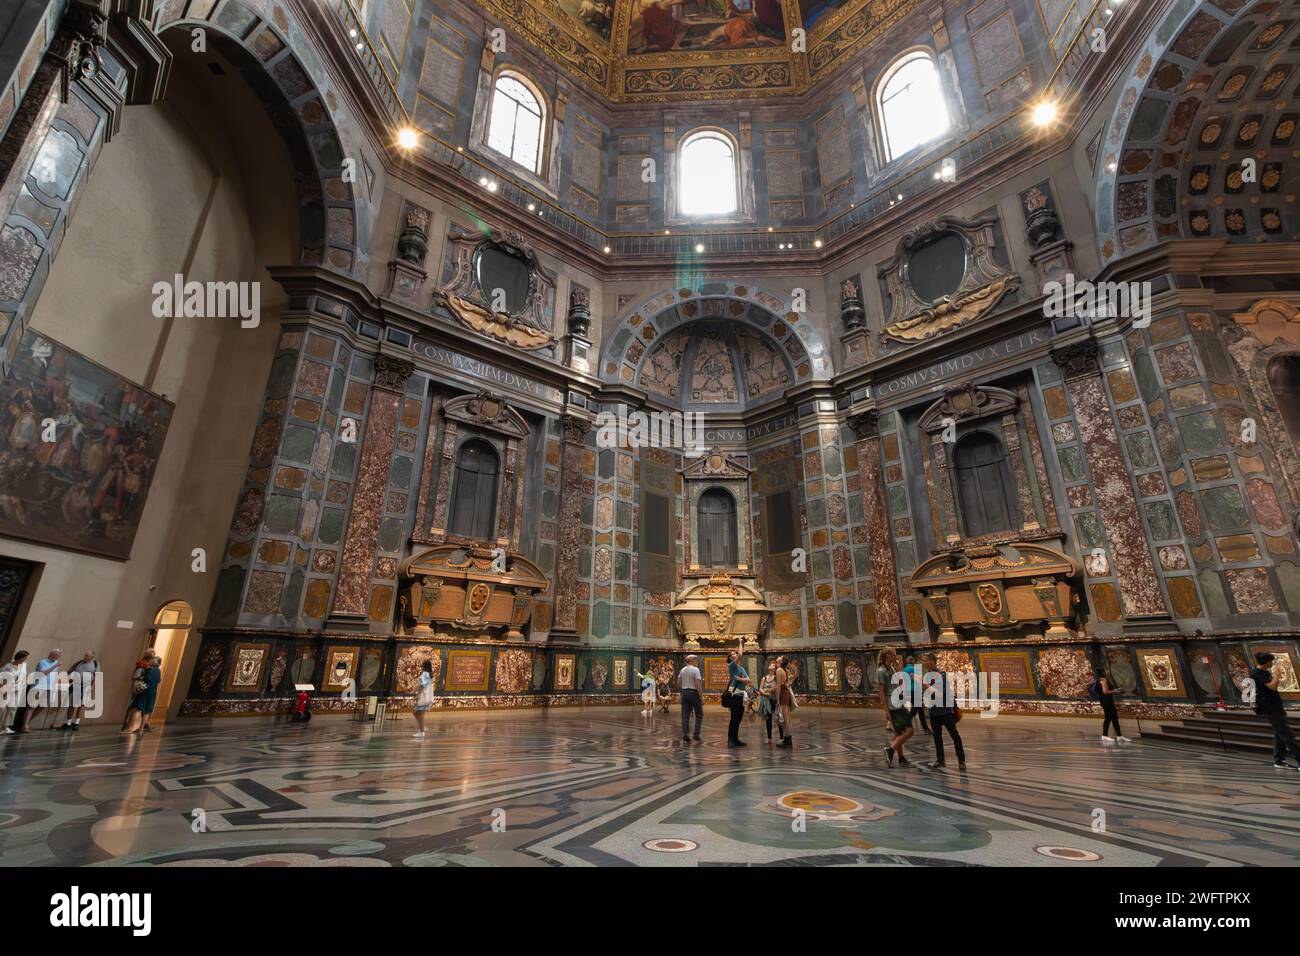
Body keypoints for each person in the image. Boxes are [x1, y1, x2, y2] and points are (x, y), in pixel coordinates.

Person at [1251, 653, 1300, 770]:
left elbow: (1273, 687)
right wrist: (1277, 675)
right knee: (1288, 735)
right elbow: (1272, 686)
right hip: (1270, 708)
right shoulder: (1257, 674)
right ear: (1267, 662)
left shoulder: (1265, 672)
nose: (1272, 663)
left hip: (1276, 706)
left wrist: (1275, 677)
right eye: (1271, 661)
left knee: (1279, 734)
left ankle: (1279, 760)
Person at [922, 653, 965, 770]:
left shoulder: (941, 675)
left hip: (946, 711)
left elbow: (940, 692)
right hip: (934, 711)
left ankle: (961, 760)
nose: (924, 663)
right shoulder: (927, 675)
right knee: (937, 737)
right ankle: (940, 760)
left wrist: (926, 687)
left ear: (932, 661)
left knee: (954, 735)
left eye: (925, 661)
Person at [877, 648, 915, 767]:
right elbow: (882, 692)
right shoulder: (881, 671)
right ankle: (890, 749)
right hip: (893, 705)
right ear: (887, 656)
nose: (896, 656)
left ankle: (901, 759)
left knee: (898, 733)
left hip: (899, 701)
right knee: (909, 730)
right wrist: (886, 710)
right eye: (894, 654)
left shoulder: (892, 668)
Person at [22, 648, 62, 732]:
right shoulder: (43, 662)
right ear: (53, 654)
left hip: (48, 688)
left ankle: (27, 722)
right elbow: (43, 673)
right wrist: (55, 666)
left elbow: (53, 675)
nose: (59, 657)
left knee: (42, 706)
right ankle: (24, 725)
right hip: (38, 687)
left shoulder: (55, 662)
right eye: (58, 655)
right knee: (32, 707)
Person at [60, 650, 100, 731]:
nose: (85, 657)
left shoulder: (95, 664)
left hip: (86, 687)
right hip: (75, 685)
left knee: (80, 705)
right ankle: (68, 723)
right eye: (85, 655)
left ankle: (76, 723)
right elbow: (71, 671)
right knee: (71, 704)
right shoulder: (79, 663)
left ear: (92, 657)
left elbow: (96, 676)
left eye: (87, 656)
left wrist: (92, 687)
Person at [123, 655, 161, 733]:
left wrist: (142, 678)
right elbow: (158, 680)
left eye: (152, 660)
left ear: (155, 662)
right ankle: (141, 728)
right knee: (147, 710)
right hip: (153, 692)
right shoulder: (158, 670)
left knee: (135, 706)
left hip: (145, 691)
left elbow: (147, 678)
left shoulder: (151, 669)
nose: (151, 661)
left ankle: (127, 725)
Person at [1094, 668, 1130, 745]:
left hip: (1106, 700)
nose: (1106, 672)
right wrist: (1115, 691)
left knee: (1114, 717)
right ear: (1103, 672)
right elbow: (1105, 692)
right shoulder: (1103, 680)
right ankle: (1104, 735)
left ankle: (1119, 736)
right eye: (1105, 671)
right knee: (1108, 717)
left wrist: (1114, 690)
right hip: (1106, 701)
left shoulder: (1099, 680)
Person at [724, 649, 751, 748]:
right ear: (731, 658)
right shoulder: (731, 666)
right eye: (733, 654)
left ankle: (735, 739)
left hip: (741, 696)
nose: (736, 655)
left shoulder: (741, 669)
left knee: (738, 719)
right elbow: (740, 654)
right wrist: (740, 643)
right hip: (734, 695)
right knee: (734, 719)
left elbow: (748, 680)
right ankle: (730, 740)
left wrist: (740, 679)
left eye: (735, 653)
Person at [0, 650, 30, 734]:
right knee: (2, 708)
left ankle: (6, 727)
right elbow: (3, 680)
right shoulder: (8, 667)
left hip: (18, 690)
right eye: (24, 658)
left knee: (12, 708)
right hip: (7, 689)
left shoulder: (24, 665)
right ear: (19, 658)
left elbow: (24, 676)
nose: (25, 660)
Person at [678, 654, 703, 742]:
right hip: (694, 693)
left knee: (685, 714)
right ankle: (696, 734)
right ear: (692, 660)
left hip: (684, 692)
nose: (696, 661)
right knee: (699, 714)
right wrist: (701, 696)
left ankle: (685, 734)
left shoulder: (682, 670)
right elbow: (697, 684)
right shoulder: (696, 670)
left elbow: (678, 683)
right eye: (696, 660)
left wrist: (682, 692)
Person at [903, 655, 930, 733]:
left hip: (908, 691)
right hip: (915, 691)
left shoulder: (904, 670)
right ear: (913, 661)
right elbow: (919, 680)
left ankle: (926, 729)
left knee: (917, 710)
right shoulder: (915, 669)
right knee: (917, 710)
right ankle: (925, 729)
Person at [774, 656, 794, 749]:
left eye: (780, 657)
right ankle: (787, 738)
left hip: (782, 694)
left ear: (781, 661)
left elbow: (778, 686)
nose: (778, 657)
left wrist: (777, 699)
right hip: (785, 693)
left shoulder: (779, 670)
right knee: (787, 717)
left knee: (785, 718)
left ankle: (788, 741)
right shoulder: (783, 670)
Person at [412, 660, 435, 738]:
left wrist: (418, 695)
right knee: (418, 713)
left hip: (423, 697)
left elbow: (422, 685)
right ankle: (421, 729)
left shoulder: (425, 674)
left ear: (424, 666)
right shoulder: (430, 674)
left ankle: (421, 731)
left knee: (418, 714)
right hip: (428, 697)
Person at [758, 662, 778, 742]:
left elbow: (775, 689)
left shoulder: (776, 678)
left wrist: (765, 691)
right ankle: (769, 738)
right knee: (768, 718)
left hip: (773, 699)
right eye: (770, 665)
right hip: (766, 699)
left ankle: (781, 737)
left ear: (775, 669)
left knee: (777, 717)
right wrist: (766, 693)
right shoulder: (764, 678)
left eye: (773, 665)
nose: (771, 666)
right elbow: (760, 688)